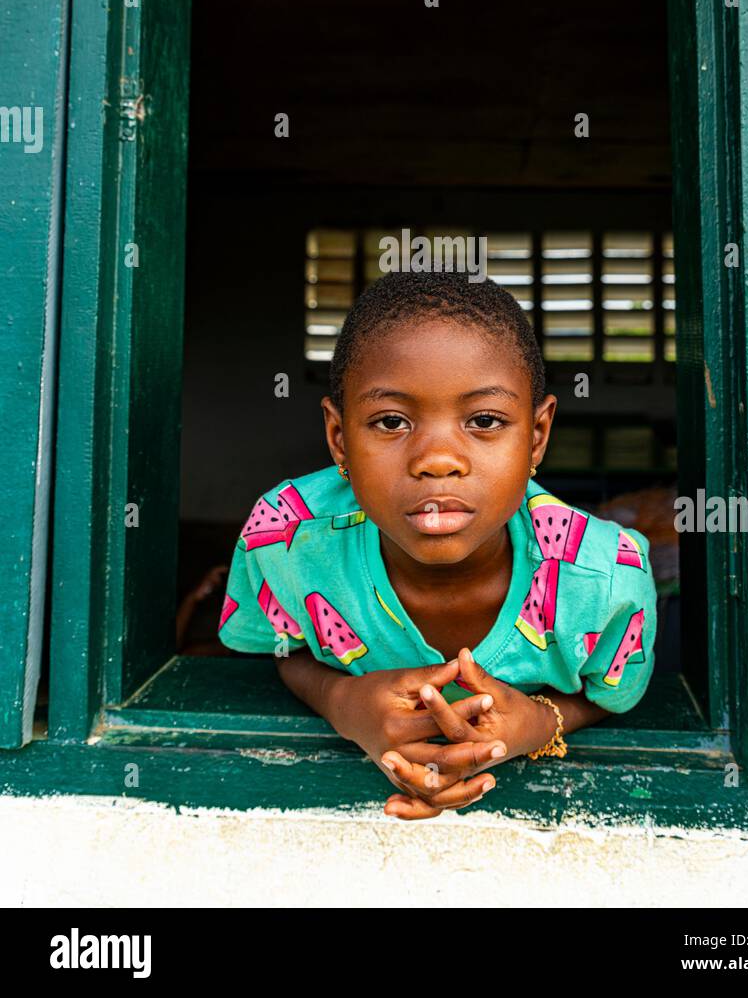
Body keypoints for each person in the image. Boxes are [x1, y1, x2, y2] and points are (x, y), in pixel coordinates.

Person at [218, 270, 657, 820]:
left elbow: (608, 694)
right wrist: (342, 702)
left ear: (537, 436)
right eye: (392, 421)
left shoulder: (605, 580)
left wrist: (541, 722)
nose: (438, 459)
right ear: (339, 437)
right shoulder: (285, 541)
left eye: (485, 420)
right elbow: (288, 650)